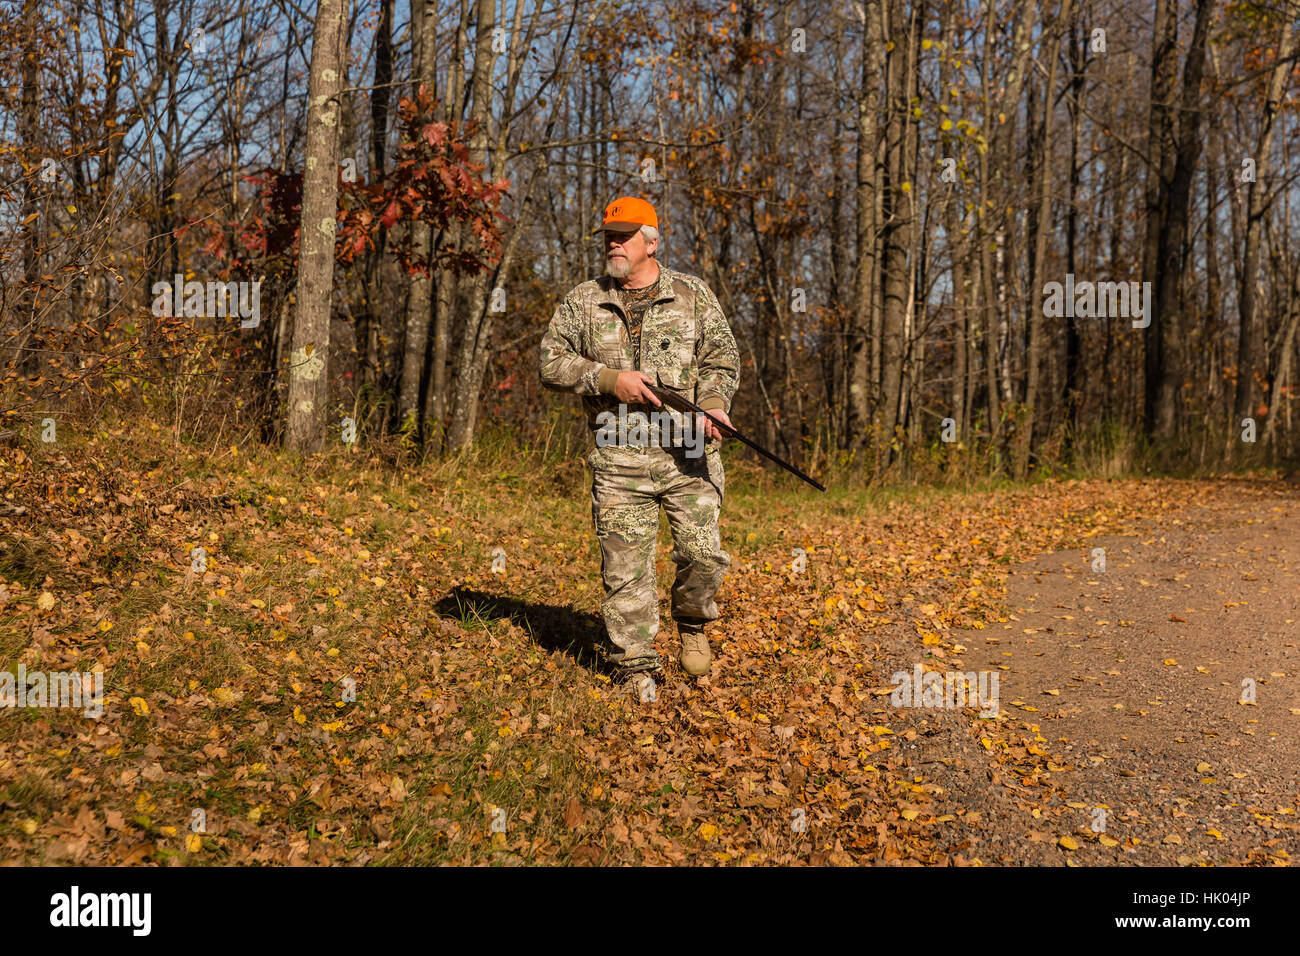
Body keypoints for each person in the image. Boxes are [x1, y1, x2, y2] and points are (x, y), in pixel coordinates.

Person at [539, 196, 740, 679]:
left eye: (624, 235)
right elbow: (550, 361)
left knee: (703, 554)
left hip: (688, 453)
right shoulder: (584, 300)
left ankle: (691, 621)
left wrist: (713, 404)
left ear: (652, 241)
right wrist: (610, 380)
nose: (613, 243)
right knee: (625, 571)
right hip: (618, 453)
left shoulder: (692, 294)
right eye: (608, 235)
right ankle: (635, 665)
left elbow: (722, 356)